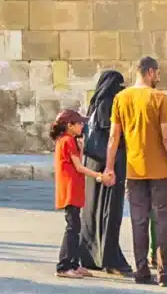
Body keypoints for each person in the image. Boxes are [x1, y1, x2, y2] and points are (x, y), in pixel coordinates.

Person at [105, 55, 167, 288]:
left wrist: (110, 167)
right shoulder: (160, 98)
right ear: (150, 72)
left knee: (138, 221)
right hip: (160, 171)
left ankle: (141, 270)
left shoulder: (121, 98)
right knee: (162, 221)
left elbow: (114, 136)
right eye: (158, 72)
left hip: (134, 170)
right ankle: (164, 272)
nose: (159, 77)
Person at [82, 69, 133, 278]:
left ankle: (91, 255)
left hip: (94, 164)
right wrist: (112, 166)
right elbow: (112, 137)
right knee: (110, 212)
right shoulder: (109, 105)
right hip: (108, 165)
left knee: (93, 211)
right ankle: (109, 259)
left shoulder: (95, 104)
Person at [50, 108, 103, 278]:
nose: (82, 126)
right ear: (69, 125)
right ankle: (64, 265)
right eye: (79, 123)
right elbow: (79, 167)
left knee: (75, 227)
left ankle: (74, 263)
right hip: (70, 189)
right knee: (72, 228)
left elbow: (74, 163)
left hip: (71, 188)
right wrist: (99, 176)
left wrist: (81, 148)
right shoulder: (68, 141)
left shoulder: (66, 140)